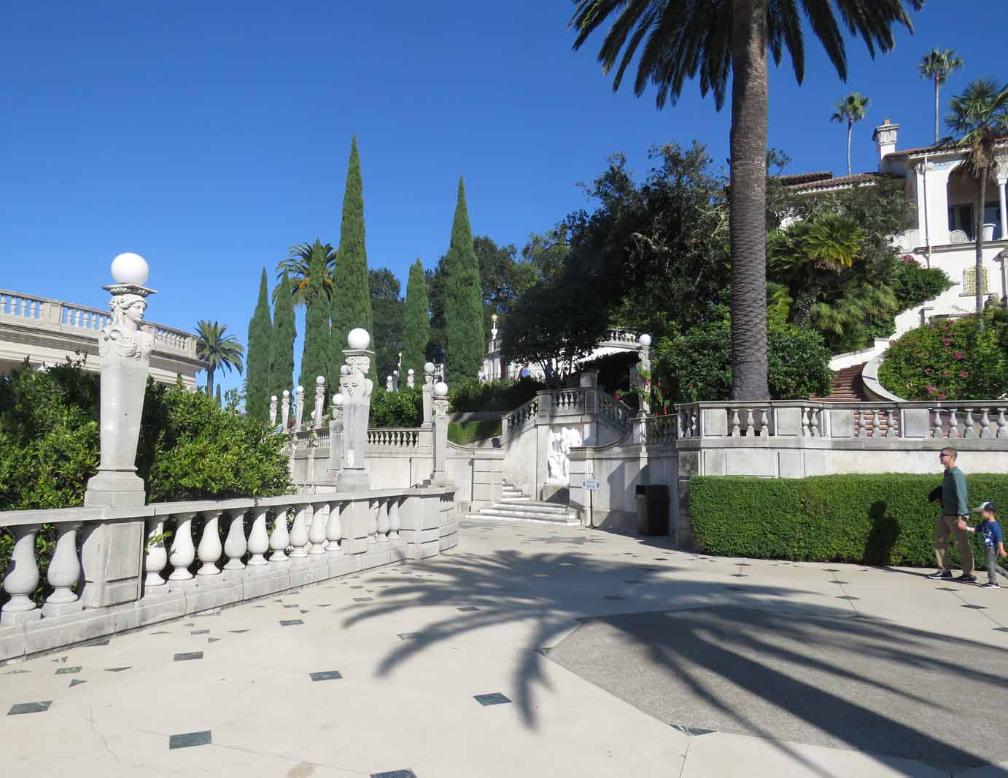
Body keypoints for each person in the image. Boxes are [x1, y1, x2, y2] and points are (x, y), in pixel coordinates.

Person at [928, 447, 975, 582]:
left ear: (952, 457)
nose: (940, 457)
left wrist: (962, 517)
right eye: (940, 455)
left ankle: (969, 574)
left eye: (943, 455)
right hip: (946, 513)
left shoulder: (956, 474)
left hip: (956, 515)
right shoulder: (947, 474)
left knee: (962, 544)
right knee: (939, 540)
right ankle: (944, 571)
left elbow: (962, 496)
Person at [958, 501, 1006, 589]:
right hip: (988, 547)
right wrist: (966, 528)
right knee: (992, 564)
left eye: (982, 512)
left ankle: (993, 582)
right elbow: (977, 529)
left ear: (990, 513)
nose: (980, 513)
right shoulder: (985, 522)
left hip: (992, 548)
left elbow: (999, 539)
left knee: (990, 564)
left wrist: (1002, 550)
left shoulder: (994, 525)